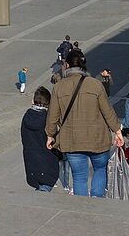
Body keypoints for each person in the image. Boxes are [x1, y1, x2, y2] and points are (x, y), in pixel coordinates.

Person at [45, 49, 123, 197]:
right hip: (97, 139)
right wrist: (117, 131)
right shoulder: (95, 84)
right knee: (100, 170)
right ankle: (96, 199)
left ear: (67, 65)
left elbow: (52, 116)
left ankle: (83, 208)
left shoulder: (59, 87)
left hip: (72, 140)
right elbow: (108, 111)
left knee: (79, 177)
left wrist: (50, 135)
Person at [21, 86, 59, 192]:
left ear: (33, 101)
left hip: (30, 157)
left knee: (40, 186)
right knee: (45, 187)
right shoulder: (48, 119)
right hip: (46, 159)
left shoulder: (26, 116)